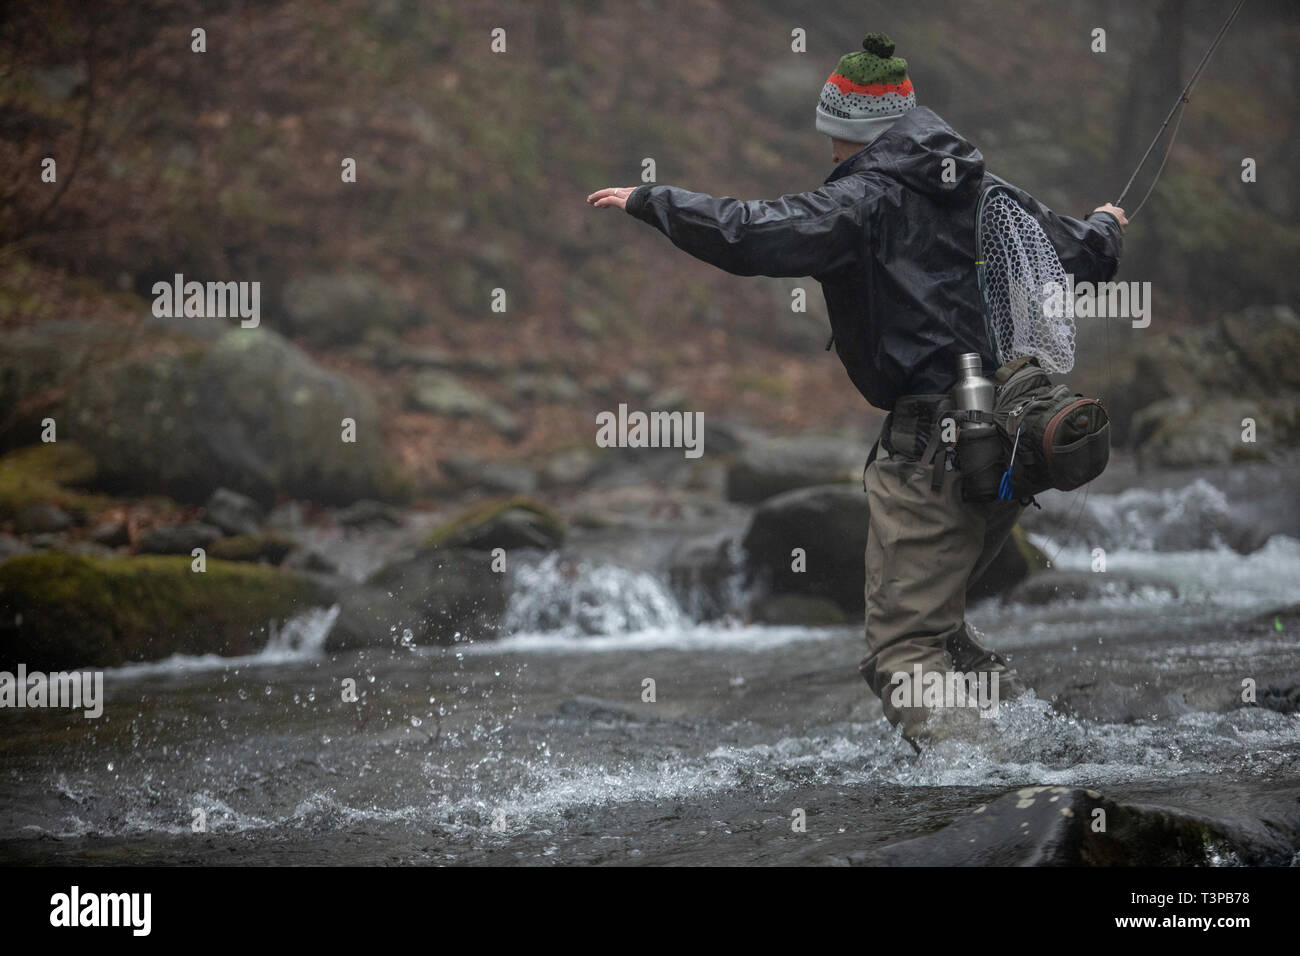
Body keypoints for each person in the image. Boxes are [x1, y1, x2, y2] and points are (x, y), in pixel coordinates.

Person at [588, 32, 1125, 748]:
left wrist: (655, 201)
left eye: (836, 135)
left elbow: (754, 236)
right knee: (943, 632)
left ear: (849, 130)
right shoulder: (982, 188)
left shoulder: (861, 202)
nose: (833, 150)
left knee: (904, 651)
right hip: (1010, 440)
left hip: (933, 451)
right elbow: (1077, 255)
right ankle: (1041, 750)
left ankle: (985, 785)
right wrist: (1106, 227)